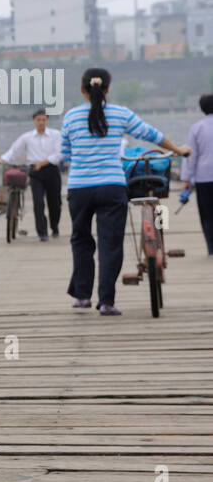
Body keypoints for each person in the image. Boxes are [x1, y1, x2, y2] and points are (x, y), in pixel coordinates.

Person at [59, 68, 191, 314]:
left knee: (81, 240)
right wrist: (178, 149)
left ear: (82, 90)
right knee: (111, 243)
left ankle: (83, 296)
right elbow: (151, 134)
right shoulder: (121, 114)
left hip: (79, 188)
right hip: (111, 186)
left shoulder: (71, 117)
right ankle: (106, 301)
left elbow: (65, 154)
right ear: (107, 89)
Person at [0, 107, 62, 240]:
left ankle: (55, 226)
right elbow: (14, 151)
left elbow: (59, 154)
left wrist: (43, 163)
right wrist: (1, 159)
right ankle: (42, 233)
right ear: (33, 121)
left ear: (47, 120)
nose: (41, 122)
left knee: (55, 203)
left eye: (43, 119)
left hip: (52, 170)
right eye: (38, 120)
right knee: (38, 203)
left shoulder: (56, 135)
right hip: (35, 172)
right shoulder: (27, 137)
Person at [176, 93, 213, 256]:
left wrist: (186, 179)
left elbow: (190, 155)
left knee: (207, 214)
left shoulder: (197, 128)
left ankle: (211, 248)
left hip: (204, 178)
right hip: (204, 177)